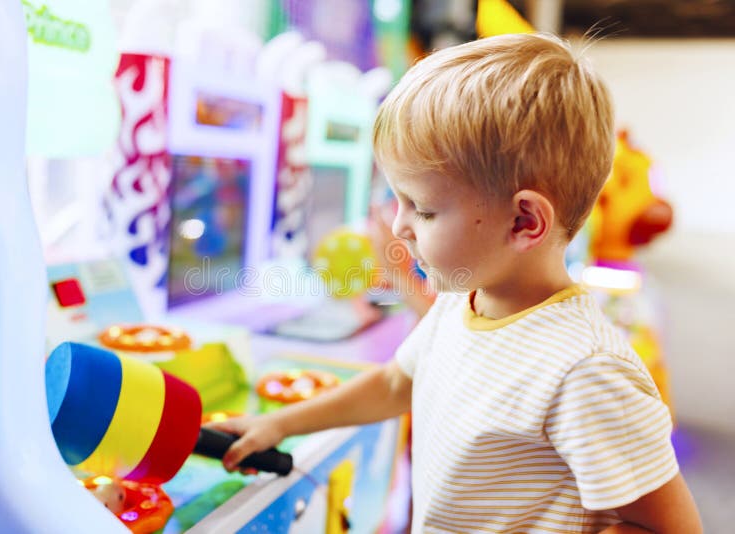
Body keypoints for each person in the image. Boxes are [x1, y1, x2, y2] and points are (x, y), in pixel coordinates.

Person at [207, 33, 702, 533]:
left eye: (422, 208)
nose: (400, 226)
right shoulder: (462, 302)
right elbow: (396, 381)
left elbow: (670, 527)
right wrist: (281, 424)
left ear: (524, 222)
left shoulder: (585, 372)